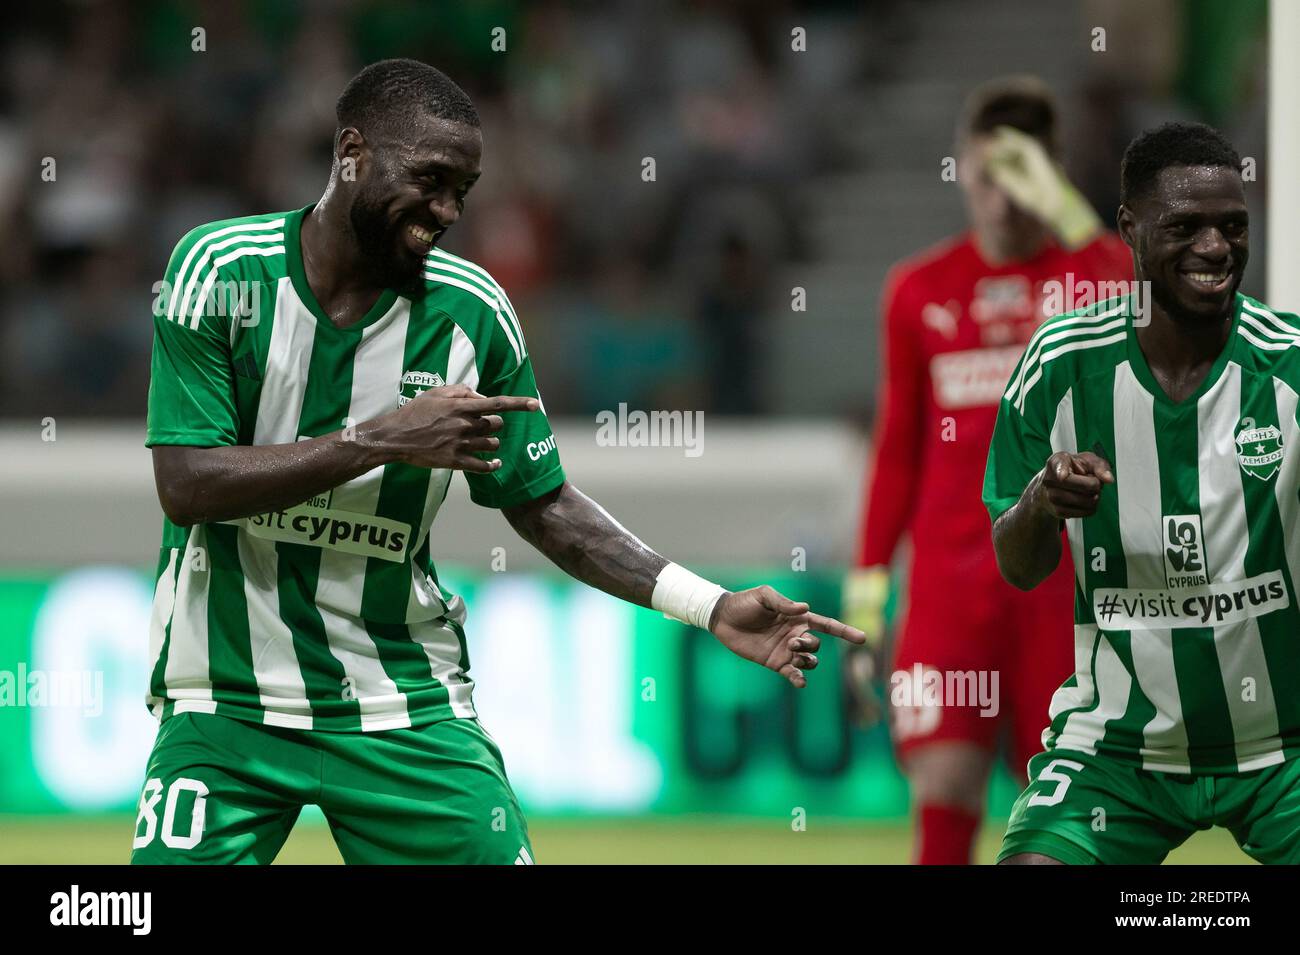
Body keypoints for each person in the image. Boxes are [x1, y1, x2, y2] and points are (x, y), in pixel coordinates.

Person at [132, 58, 863, 864]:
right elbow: (188, 483)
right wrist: (380, 438)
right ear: (351, 154)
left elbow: (543, 502)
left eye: (463, 192)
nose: (445, 211)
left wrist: (709, 605)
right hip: (223, 701)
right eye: (431, 180)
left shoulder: (473, 314)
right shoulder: (220, 271)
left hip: (401, 705)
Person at [987, 121, 1300, 864]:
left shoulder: (1289, 367)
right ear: (1130, 229)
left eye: (1233, 226)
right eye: (1186, 227)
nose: (1217, 248)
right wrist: (1039, 501)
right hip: (1119, 752)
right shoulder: (1060, 365)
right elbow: (1018, 564)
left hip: (1287, 747)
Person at [844, 76, 1132, 863]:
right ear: (961, 168)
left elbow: (1139, 294)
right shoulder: (918, 291)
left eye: (1023, 171)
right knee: (942, 784)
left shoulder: (1085, 280)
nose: (1003, 193)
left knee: (1070, 804)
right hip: (948, 588)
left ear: (1051, 173)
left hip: (1062, 586)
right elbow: (896, 453)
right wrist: (867, 598)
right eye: (988, 169)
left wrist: (1067, 208)